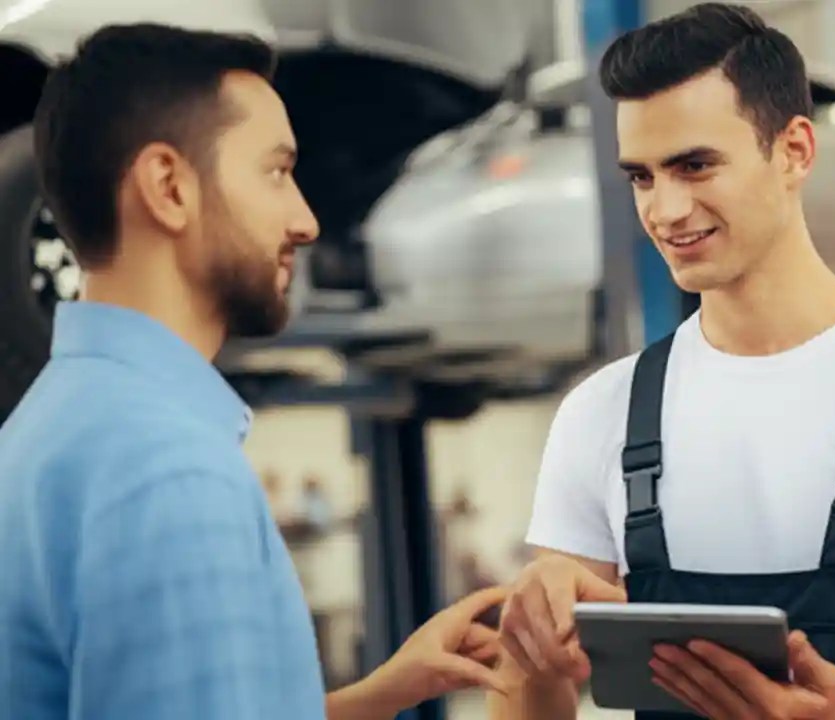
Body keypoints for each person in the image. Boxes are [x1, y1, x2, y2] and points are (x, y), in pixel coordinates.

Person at [492, 4, 835, 719]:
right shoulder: (601, 413)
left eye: (695, 165)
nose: (666, 210)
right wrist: (532, 659)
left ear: (794, 150)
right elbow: (531, 697)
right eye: (641, 177)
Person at [0, 23, 506, 719]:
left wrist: (380, 694)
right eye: (276, 171)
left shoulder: (58, 424)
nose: (305, 219)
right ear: (169, 187)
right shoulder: (167, 469)